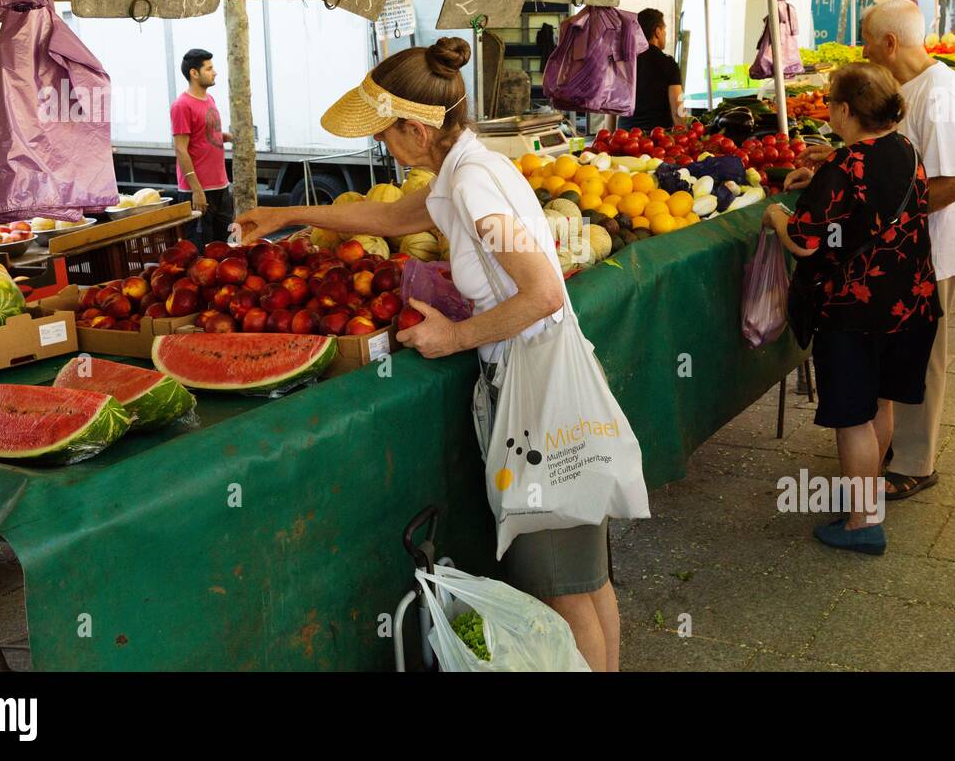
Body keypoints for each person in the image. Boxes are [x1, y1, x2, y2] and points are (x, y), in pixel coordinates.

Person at [235, 38, 624, 670]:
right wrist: (284, 212)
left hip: (544, 398)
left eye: (388, 135)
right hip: (552, 382)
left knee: (561, 580)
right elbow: (392, 220)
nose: (386, 148)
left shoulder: (473, 186)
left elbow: (545, 291)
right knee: (583, 572)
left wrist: (455, 337)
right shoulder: (467, 167)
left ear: (418, 130)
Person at [766, 63, 940, 554]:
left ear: (844, 110)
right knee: (880, 402)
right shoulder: (903, 148)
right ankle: (870, 502)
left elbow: (802, 240)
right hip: (911, 303)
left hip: (855, 313)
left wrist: (777, 215)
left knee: (851, 416)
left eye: (829, 102)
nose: (826, 108)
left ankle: (862, 521)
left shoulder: (846, 167)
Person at [854, 0, 955, 500]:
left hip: (931, 249)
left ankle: (915, 461)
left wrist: (888, 219)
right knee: (902, 349)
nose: (862, 51)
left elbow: (954, 183)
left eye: (866, 40)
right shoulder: (910, 89)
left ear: (888, 43)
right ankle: (893, 444)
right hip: (907, 246)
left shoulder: (941, 92)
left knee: (924, 355)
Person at [172, 48, 233, 247]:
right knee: (201, 253)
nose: (214, 72)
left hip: (221, 187)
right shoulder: (182, 105)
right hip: (198, 191)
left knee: (226, 247)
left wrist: (228, 137)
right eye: (209, 68)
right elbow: (181, 148)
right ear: (194, 73)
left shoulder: (210, 100)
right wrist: (196, 190)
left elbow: (207, 136)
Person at [616, 8, 686, 131]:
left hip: (626, 136)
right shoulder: (668, 63)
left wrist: (610, 138)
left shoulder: (624, 62)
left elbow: (612, 105)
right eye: (664, 30)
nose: (665, 34)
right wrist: (686, 136)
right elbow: (677, 111)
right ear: (657, 32)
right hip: (657, 139)